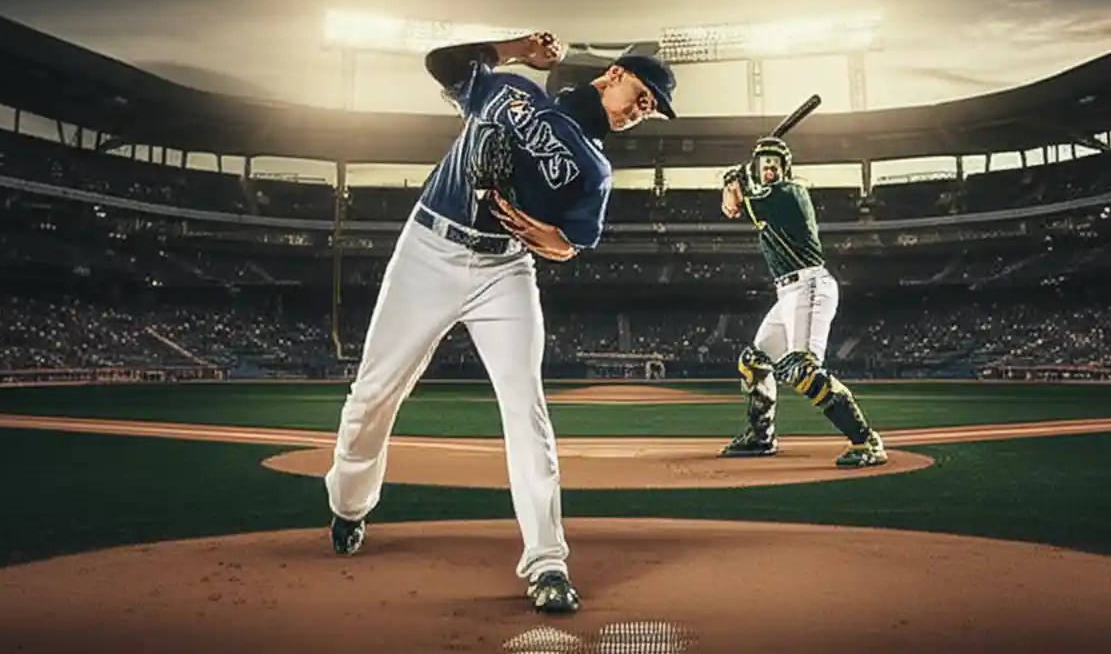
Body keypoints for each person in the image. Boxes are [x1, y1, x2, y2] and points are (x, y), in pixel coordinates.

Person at [323, 31, 677, 614]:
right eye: (641, 95)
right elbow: (441, 63)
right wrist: (518, 49)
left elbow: (569, 245)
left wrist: (544, 240)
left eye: (651, 109)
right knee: (373, 394)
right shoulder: (510, 89)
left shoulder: (594, 168)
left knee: (526, 409)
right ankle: (349, 504)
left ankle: (547, 562)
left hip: (505, 269)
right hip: (429, 248)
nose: (642, 110)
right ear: (613, 74)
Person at [718, 137, 887, 467]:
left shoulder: (789, 192)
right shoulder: (765, 196)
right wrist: (731, 184)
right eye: (763, 164)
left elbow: (745, 201)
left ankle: (866, 440)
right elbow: (737, 202)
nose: (769, 168)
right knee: (754, 362)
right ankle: (761, 437)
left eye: (774, 164)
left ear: (785, 169)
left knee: (802, 369)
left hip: (809, 285)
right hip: (787, 292)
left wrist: (735, 181)